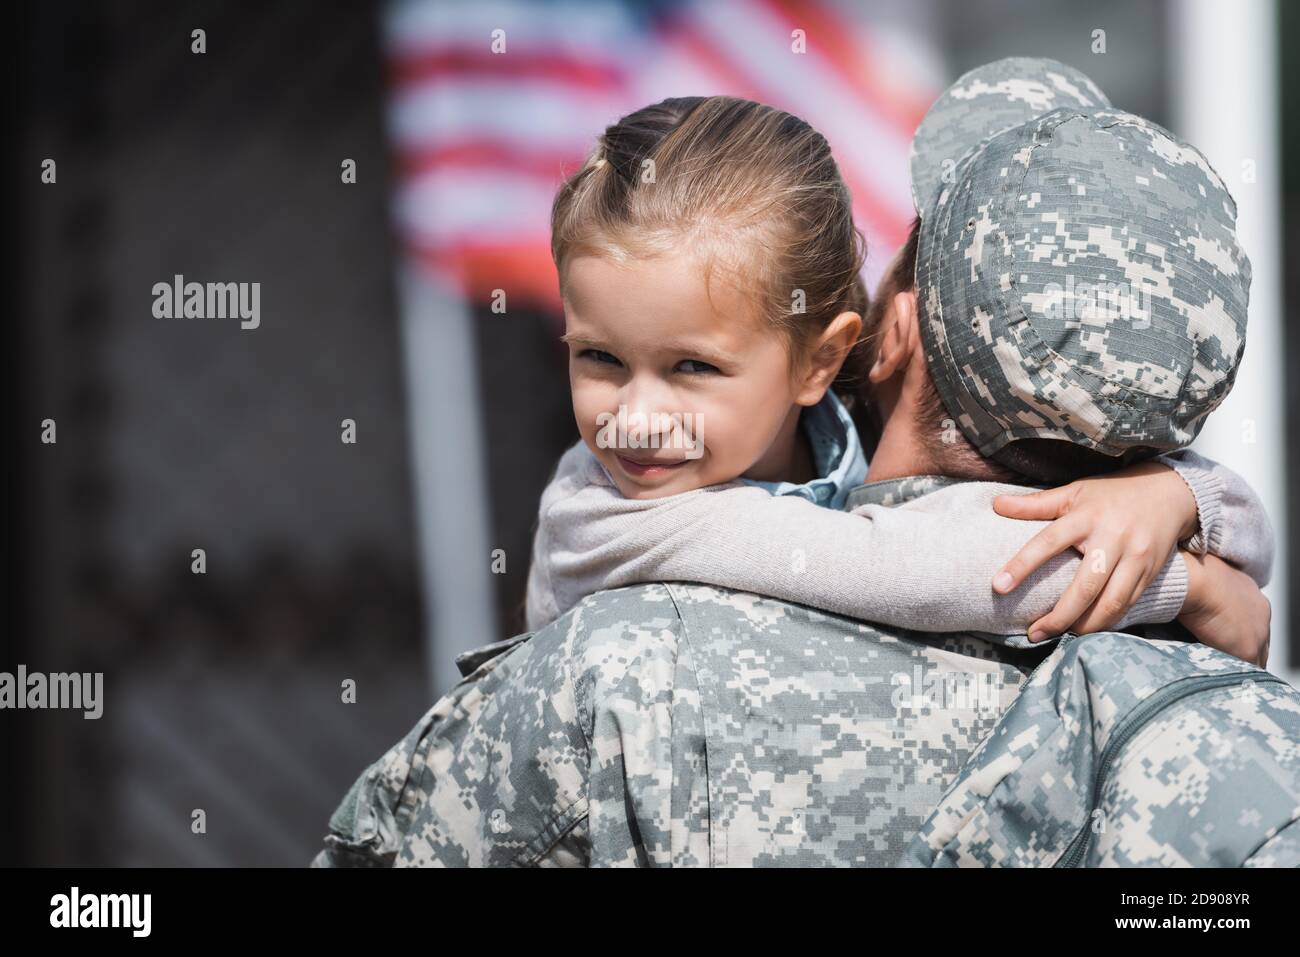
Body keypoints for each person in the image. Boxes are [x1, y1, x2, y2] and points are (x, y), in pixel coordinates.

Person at [311, 59, 1278, 868]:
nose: (639, 419)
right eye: (598, 356)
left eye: (692, 366)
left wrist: (1174, 500)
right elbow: (914, 564)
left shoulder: (625, 678)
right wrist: (1181, 572)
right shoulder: (1244, 735)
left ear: (864, 342)